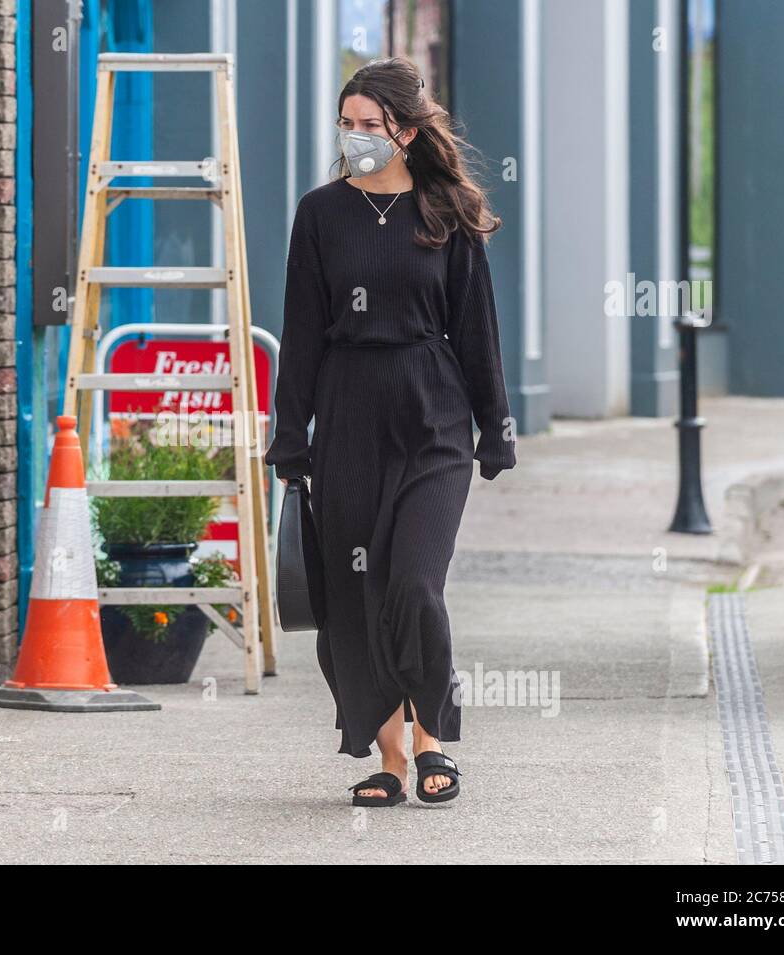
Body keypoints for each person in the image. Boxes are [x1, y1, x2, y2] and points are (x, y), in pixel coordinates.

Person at [263, 57, 516, 807]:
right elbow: (301, 331)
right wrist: (289, 432)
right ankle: (392, 758)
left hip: (432, 415)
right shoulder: (320, 213)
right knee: (355, 593)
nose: (355, 137)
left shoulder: (447, 211)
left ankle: (435, 733)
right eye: (346, 124)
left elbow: (479, 331)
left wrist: (494, 425)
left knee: (412, 583)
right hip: (347, 414)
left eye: (369, 126)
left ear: (405, 131)